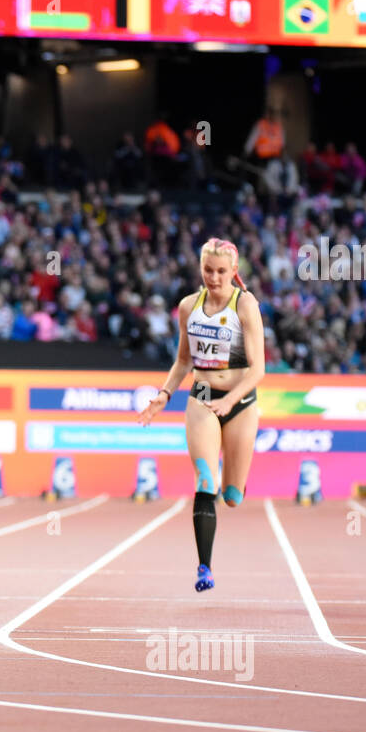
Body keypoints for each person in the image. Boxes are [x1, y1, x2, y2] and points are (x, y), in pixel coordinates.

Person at [138, 238, 266, 593]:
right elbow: (183, 360)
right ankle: (204, 567)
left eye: (221, 271)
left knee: (232, 497)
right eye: (208, 270)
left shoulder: (246, 305)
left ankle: (237, 481)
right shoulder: (187, 307)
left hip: (240, 402)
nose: (213, 277)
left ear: (234, 272)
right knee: (205, 480)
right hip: (203, 398)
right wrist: (164, 394)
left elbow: (258, 370)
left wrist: (231, 401)